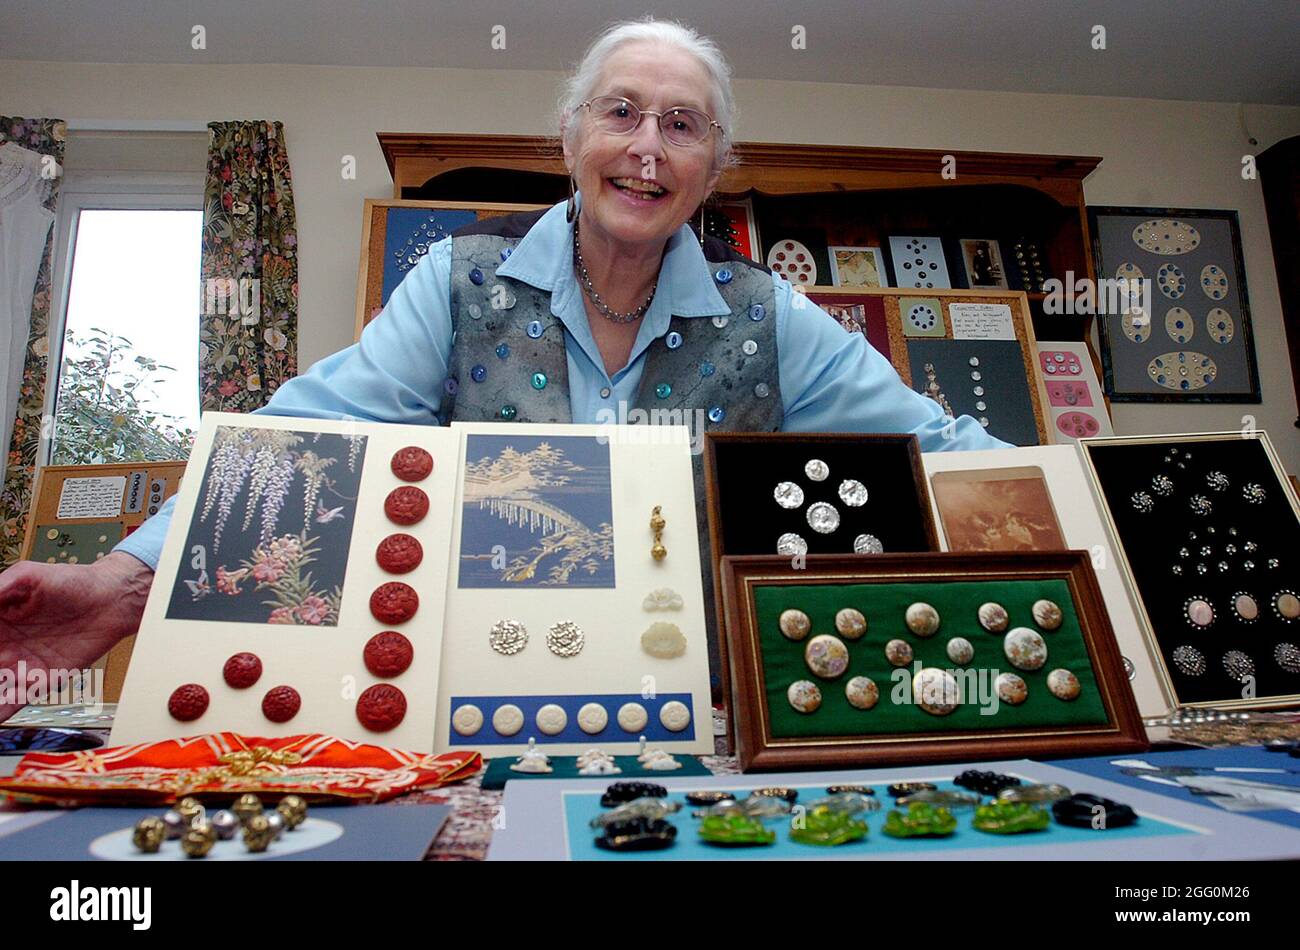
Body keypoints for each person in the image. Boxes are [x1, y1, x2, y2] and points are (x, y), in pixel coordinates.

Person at [0, 17, 1007, 718]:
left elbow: (947, 450)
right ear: (571, 136)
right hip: (472, 703)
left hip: (706, 713)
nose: (647, 147)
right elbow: (299, 443)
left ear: (713, 165)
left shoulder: (768, 316)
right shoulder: (458, 284)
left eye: (682, 124)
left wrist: (1103, 524)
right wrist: (122, 584)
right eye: (620, 112)